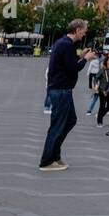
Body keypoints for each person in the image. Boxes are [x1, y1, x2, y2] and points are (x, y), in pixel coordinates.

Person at [39, 20, 97, 172]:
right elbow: (73, 69)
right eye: (84, 30)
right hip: (61, 90)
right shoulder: (66, 45)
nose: (85, 33)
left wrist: (81, 56)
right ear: (77, 30)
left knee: (69, 120)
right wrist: (86, 59)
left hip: (61, 89)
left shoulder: (63, 43)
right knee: (58, 124)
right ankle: (47, 161)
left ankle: (55, 156)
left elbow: (68, 65)